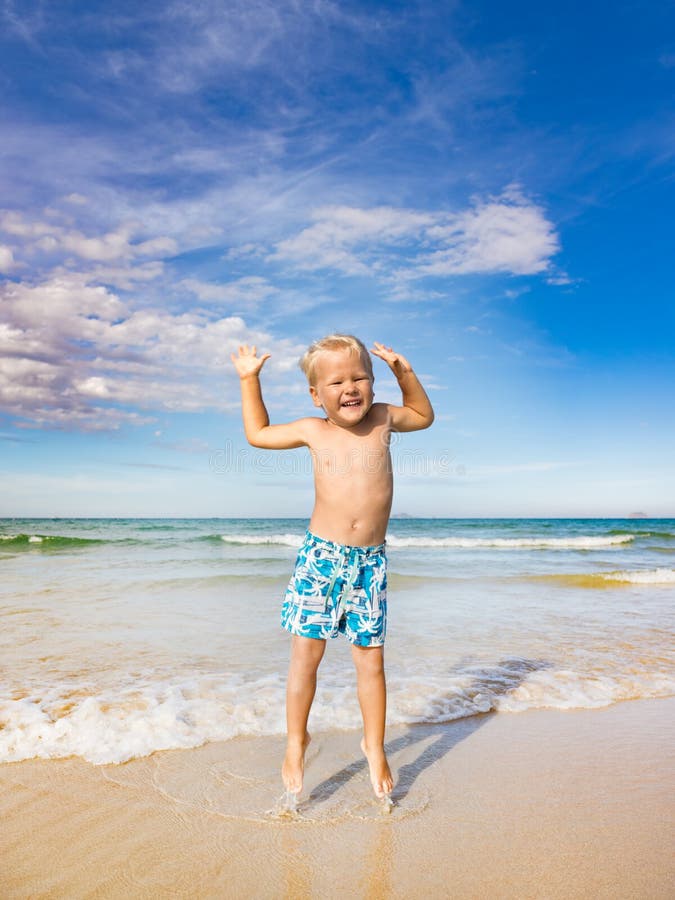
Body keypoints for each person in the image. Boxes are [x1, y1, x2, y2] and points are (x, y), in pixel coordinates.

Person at [231, 334, 434, 800]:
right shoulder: (313, 429)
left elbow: (423, 416)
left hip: (370, 563)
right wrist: (249, 381)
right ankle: (295, 740)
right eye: (337, 381)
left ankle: (374, 745)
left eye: (360, 377)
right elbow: (258, 435)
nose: (351, 387)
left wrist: (405, 372)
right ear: (315, 394)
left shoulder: (383, 419)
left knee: (371, 662)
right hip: (321, 559)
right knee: (306, 657)